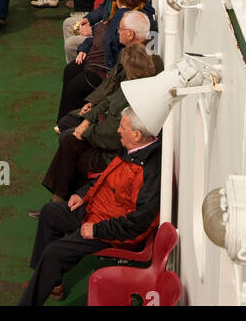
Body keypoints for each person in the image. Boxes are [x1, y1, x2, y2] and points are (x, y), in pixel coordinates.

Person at [18, 107, 162, 305]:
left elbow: (138, 222)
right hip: (97, 209)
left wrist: (96, 229)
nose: (118, 130)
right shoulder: (133, 151)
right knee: (50, 212)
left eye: (122, 127)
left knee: (54, 253)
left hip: (112, 230)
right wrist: (82, 194)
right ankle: (52, 284)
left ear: (136, 135)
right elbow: (107, 177)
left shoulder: (149, 171)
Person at [35, 45, 164, 206]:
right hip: (104, 136)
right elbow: (109, 101)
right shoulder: (131, 84)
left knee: (71, 147)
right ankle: (59, 200)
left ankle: (60, 202)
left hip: (113, 153)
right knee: (69, 141)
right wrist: (88, 119)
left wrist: (85, 132)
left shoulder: (136, 97)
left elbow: (112, 134)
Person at [56, 8, 154, 119]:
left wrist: (93, 112)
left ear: (130, 34)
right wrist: (93, 104)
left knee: (74, 90)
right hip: (105, 98)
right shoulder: (128, 52)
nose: (117, 31)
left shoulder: (135, 62)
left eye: (120, 29)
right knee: (71, 70)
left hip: (112, 113)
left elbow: (116, 94)